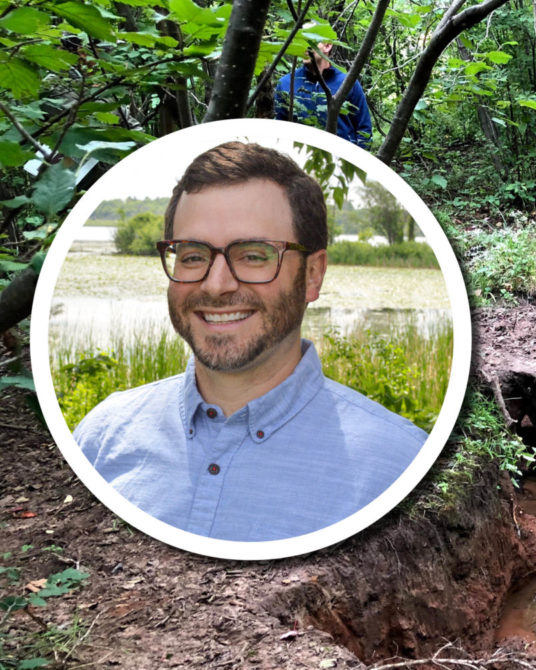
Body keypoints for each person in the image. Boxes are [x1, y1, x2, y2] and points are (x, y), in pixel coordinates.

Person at [74, 142, 428, 542]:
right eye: (192, 256)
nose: (217, 285)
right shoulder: (101, 438)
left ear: (313, 274)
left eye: (254, 256)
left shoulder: (401, 467)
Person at [275, 42, 374, 149]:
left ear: (327, 46)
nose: (304, 47)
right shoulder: (286, 83)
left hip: (341, 160)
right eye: (302, 40)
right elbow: (279, 131)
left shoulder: (347, 83)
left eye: (311, 41)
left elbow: (364, 129)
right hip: (300, 160)